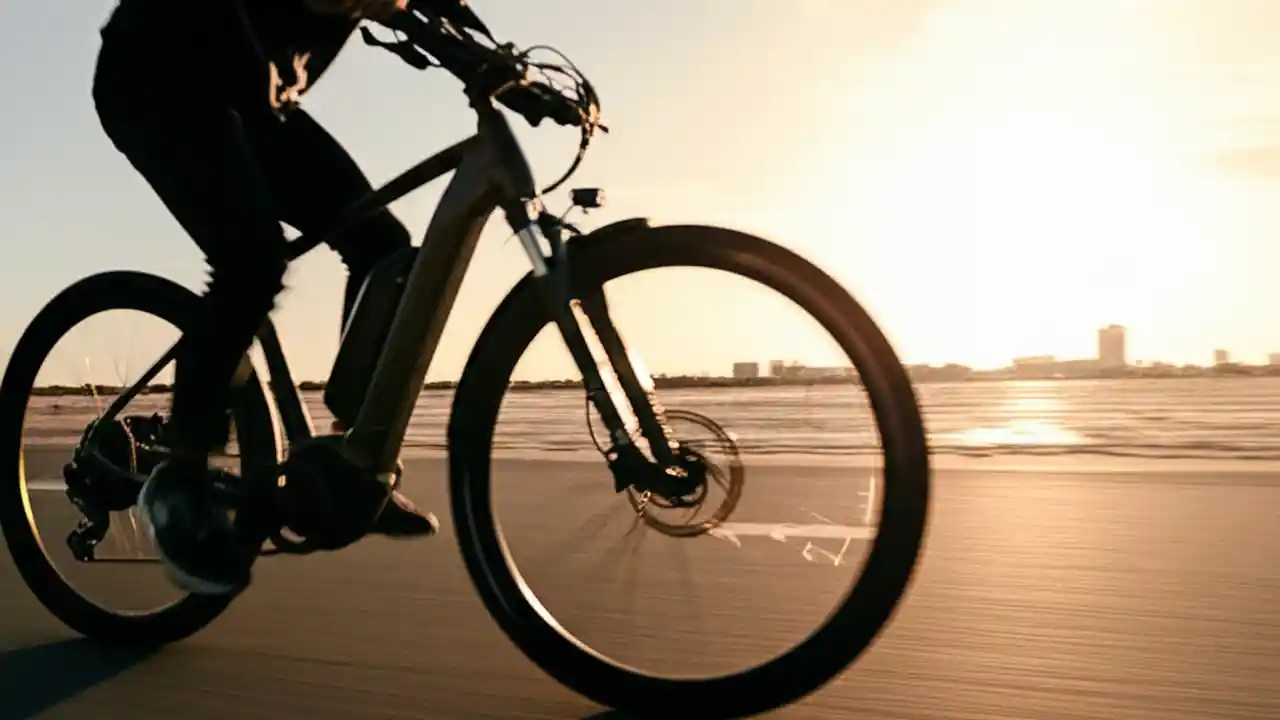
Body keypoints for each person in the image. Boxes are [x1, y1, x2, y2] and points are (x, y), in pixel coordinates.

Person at [92, 0, 442, 597]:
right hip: (156, 75)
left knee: (383, 248)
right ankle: (180, 475)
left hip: (250, 92)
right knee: (251, 262)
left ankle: (358, 462)